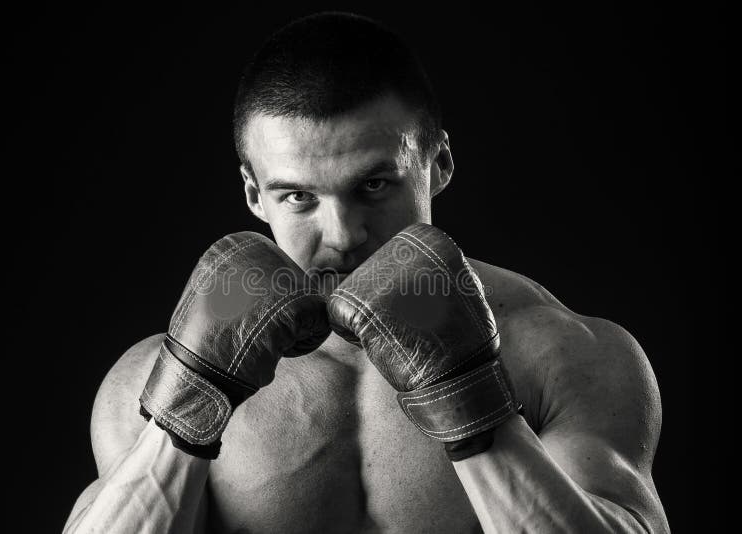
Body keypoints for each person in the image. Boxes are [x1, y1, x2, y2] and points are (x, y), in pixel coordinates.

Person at [64, 11, 669, 533]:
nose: (343, 236)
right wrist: (187, 412)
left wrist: (469, 404)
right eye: (298, 196)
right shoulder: (152, 382)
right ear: (254, 194)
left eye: (374, 185)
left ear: (439, 164)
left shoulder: (559, 353)